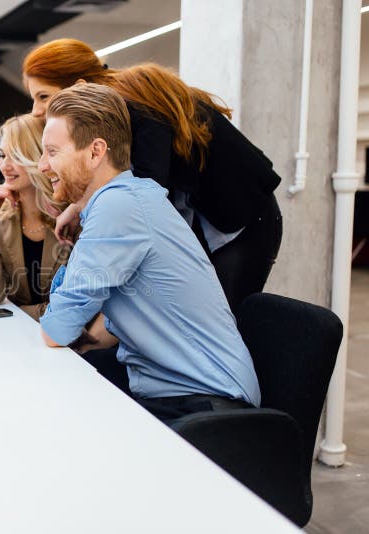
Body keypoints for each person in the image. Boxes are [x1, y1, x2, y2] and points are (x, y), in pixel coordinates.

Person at [38, 82, 260, 424]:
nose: (42, 166)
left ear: (95, 152)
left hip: (206, 406)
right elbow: (88, 323)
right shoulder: (129, 197)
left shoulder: (118, 206)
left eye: (52, 152)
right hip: (179, 392)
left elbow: (56, 330)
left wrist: (66, 321)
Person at [23, 38, 282, 311]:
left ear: (79, 86)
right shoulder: (112, 111)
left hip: (245, 219)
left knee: (221, 318)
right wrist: (79, 206)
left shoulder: (133, 103)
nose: (36, 111)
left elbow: (147, 188)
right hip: (212, 216)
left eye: (44, 97)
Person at [0, 114, 71, 321]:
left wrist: (17, 314)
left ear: (38, 158)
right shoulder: (2, 220)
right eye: (2, 155)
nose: (5, 166)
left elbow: (71, 309)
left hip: (64, 337)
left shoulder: (71, 217)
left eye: (16, 156)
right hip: (19, 334)